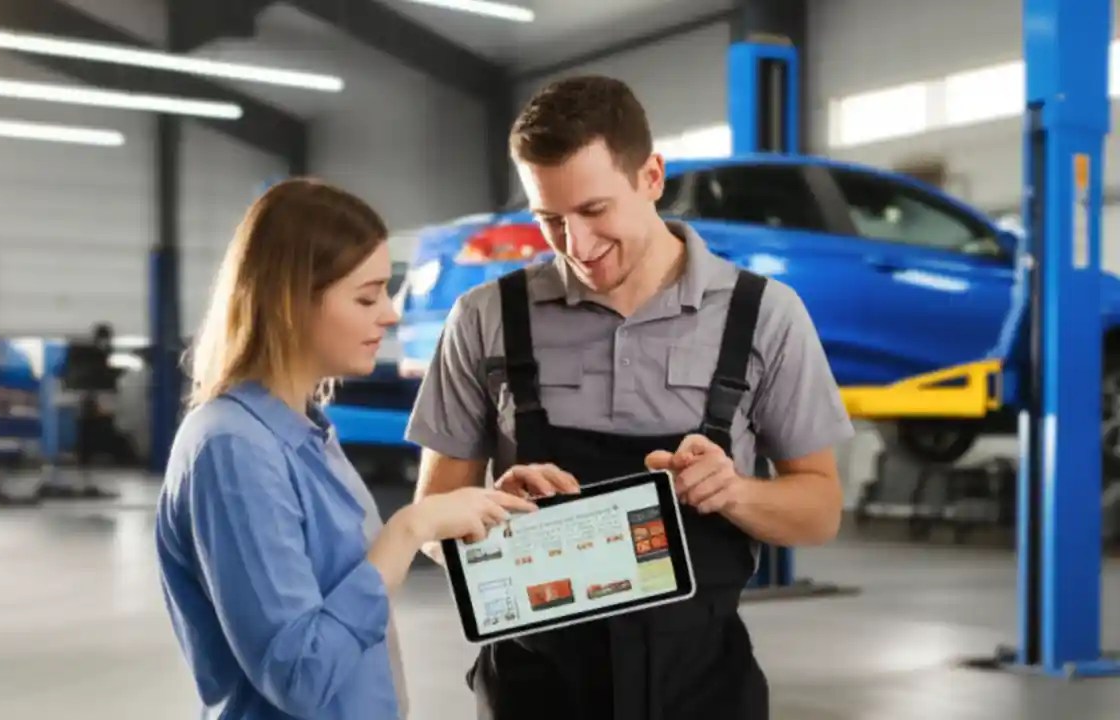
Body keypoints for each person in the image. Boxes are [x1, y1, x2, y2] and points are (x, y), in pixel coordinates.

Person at [406, 75, 856, 720]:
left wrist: (737, 492)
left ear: (651, 176)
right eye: (549, 220)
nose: (577, 245)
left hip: (701, 691)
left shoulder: (764, 316)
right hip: (535, 693)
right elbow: (430, 526)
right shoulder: (486, 319)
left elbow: (820, 512)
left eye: (593, 211)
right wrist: (488, 512)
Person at [154, 178, 537, 720]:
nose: (391, 313)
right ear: (290, 301)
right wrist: (408, 529)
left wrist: (482, 508)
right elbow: (302, 675)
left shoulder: (308, 433)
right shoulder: (232, 450)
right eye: (367, 295)